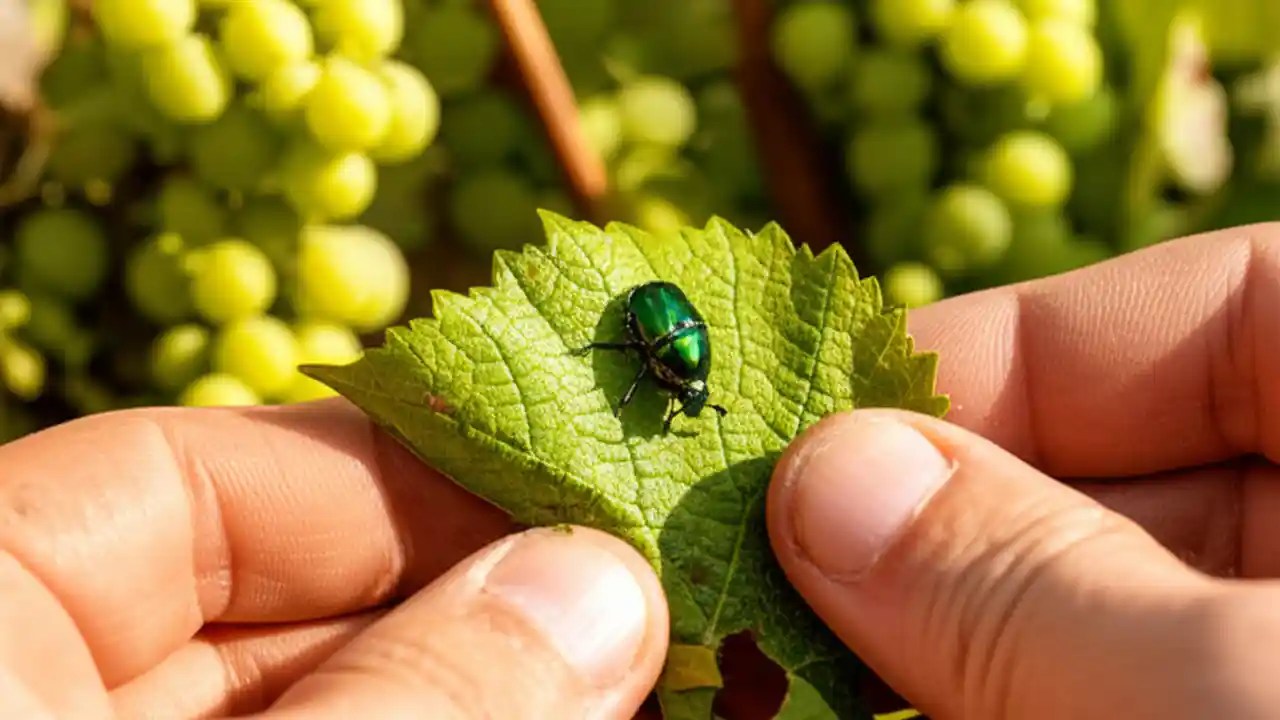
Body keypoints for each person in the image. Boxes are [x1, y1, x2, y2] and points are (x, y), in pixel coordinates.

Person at [3, 224, 1280, 720]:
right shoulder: (658, 357)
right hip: (654, 323)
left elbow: (655, 333)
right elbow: (650, 334)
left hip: (658, 322)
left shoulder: (668, 358)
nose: (667, 396)